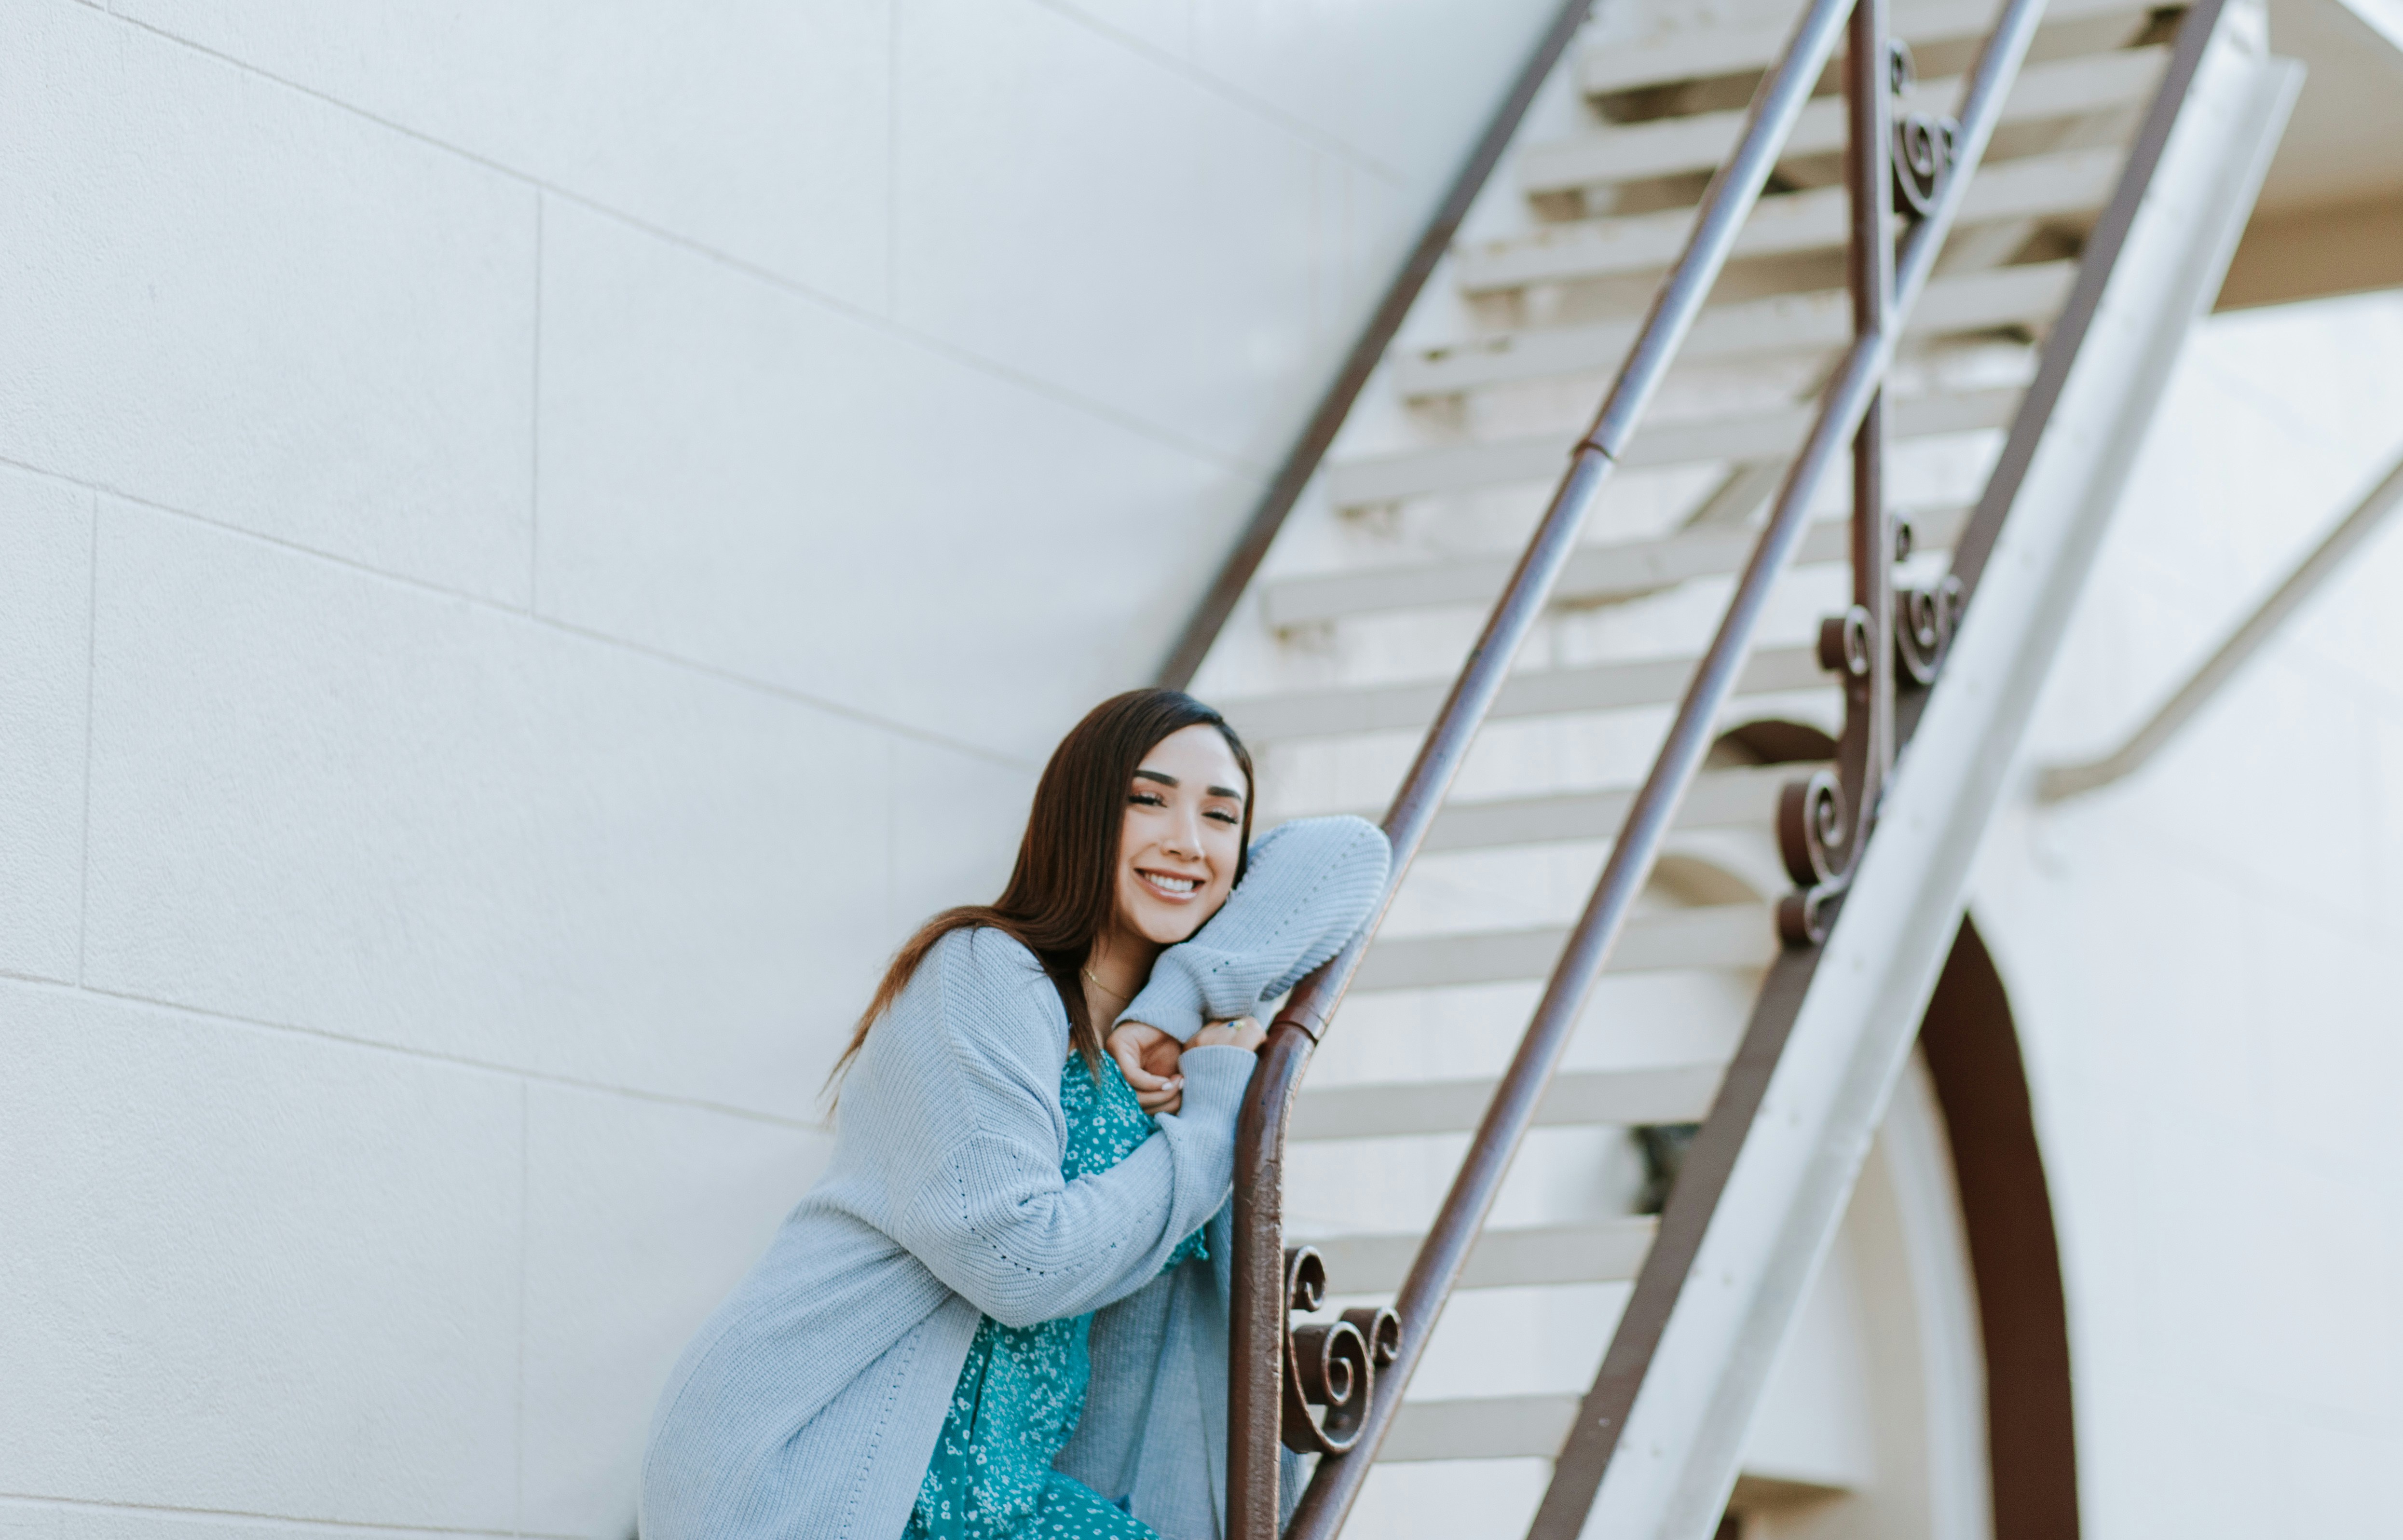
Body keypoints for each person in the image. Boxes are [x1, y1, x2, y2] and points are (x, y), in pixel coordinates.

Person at [641, 688, 1391, 1540]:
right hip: (833, 1466)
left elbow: (1354, 855)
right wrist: (1218, 1117)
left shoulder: (1164, 1045)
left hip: (1006, 1498)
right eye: (1147, 799)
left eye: (1221, 817)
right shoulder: (986, 973)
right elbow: (1020, 1261)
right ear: (1078, 817)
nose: (1187, 840)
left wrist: (1174, 1005)